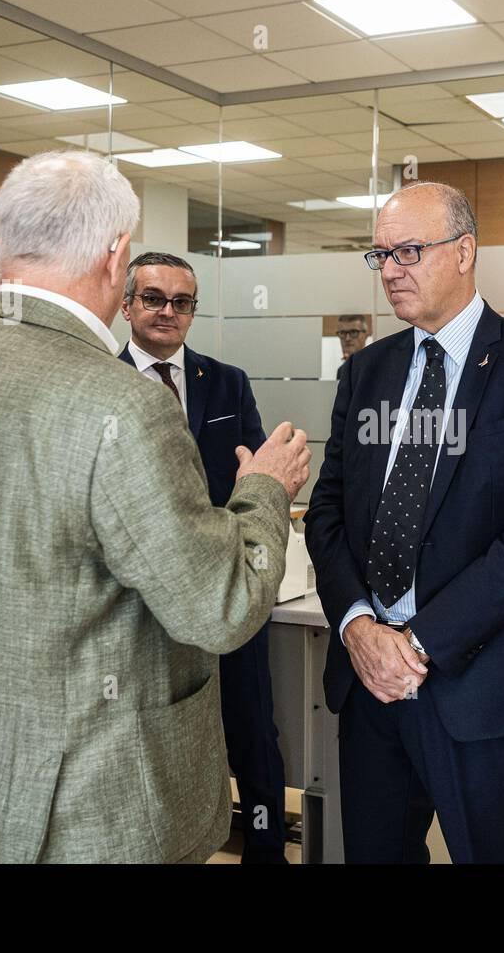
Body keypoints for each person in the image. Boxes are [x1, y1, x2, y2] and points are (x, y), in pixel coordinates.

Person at [0, 150, 310, 863]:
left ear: (2, 246)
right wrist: (266, 491)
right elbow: (217, 607)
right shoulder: (125, 404)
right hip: (89, 813)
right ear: (116, 253)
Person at [304, 181, 504, 863]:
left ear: (464, 252)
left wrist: (419, 643)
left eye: (408, 251)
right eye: (381, 256)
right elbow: (328, 508)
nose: (391, 270)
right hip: (369, 680)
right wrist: (360, 628)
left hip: (478, 680)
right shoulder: (367, 371)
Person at [119, 250, 289, 864]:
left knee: (252, 722)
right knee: (161, 723)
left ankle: (266, 848)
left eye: (182, 302)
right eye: (154, 298)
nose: (168, 311)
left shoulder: (225, 381)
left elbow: (253, 474)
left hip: (225, 576)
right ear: (127, 304)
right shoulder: (100, 380)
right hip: (141, 594)